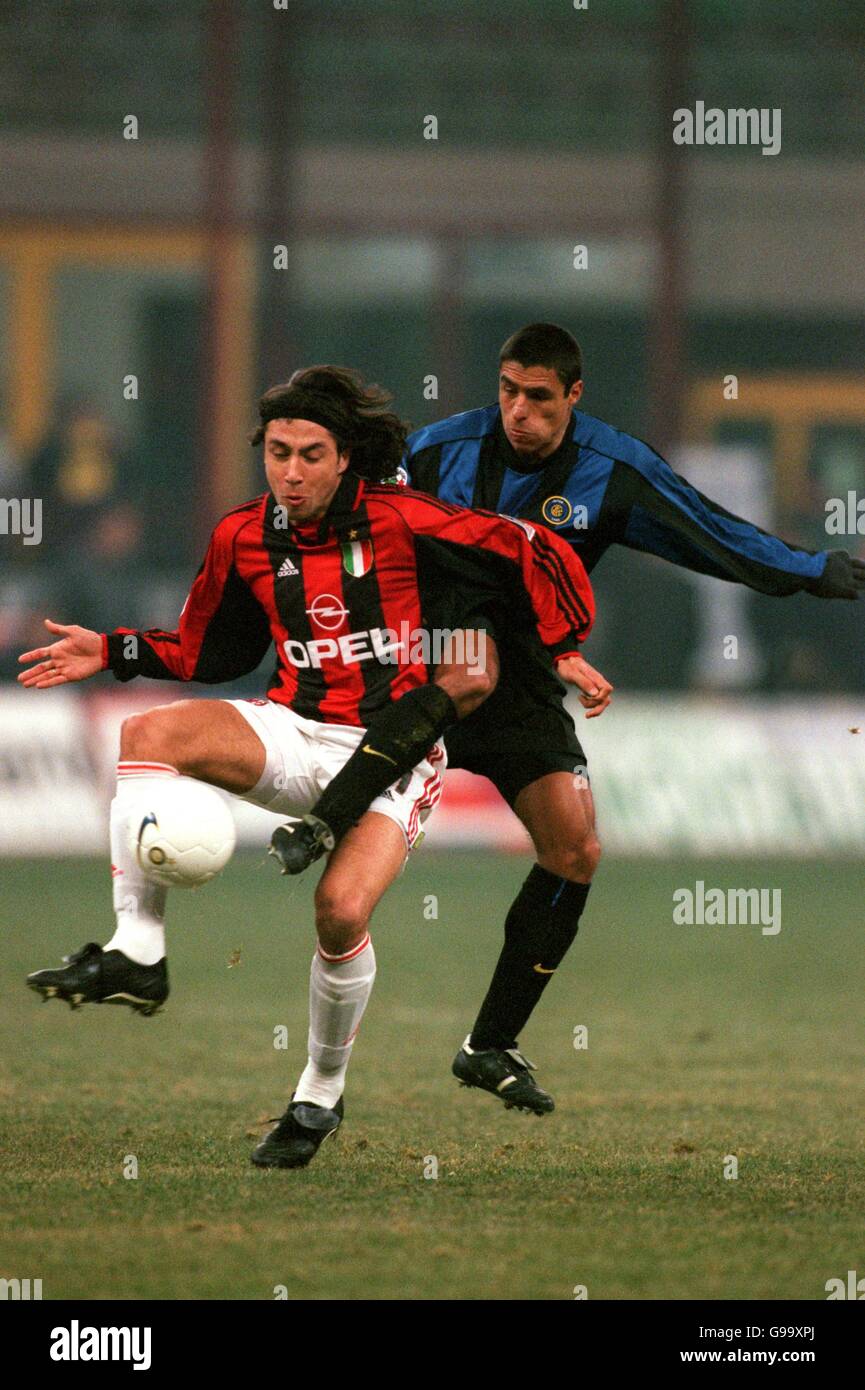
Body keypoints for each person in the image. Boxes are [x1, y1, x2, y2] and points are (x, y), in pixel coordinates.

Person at [18, 365, 597, 1169]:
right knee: (147, 733)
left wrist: (562, 640)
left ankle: (319, 1093)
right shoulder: (242, 536)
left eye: (311, 455)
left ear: (346, 457)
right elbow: (206, 651)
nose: (290, 473)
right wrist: (112, 649)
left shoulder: (407, 521)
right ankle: (137, 952)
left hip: (393, 760)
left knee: (339, 913)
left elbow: (527, 547)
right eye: (279, 453)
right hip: (292, 730)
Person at [390, 321, 862, 1114]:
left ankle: (489, 1044)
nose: (518, 413)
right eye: (507, 393)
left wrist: (813, 571)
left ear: (572, 397)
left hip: (521, 686)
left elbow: (709, 533)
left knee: (573, 850)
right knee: (344, 868)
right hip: (420, 669)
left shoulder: (612, 468)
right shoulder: (437, 452)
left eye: (538, 399)